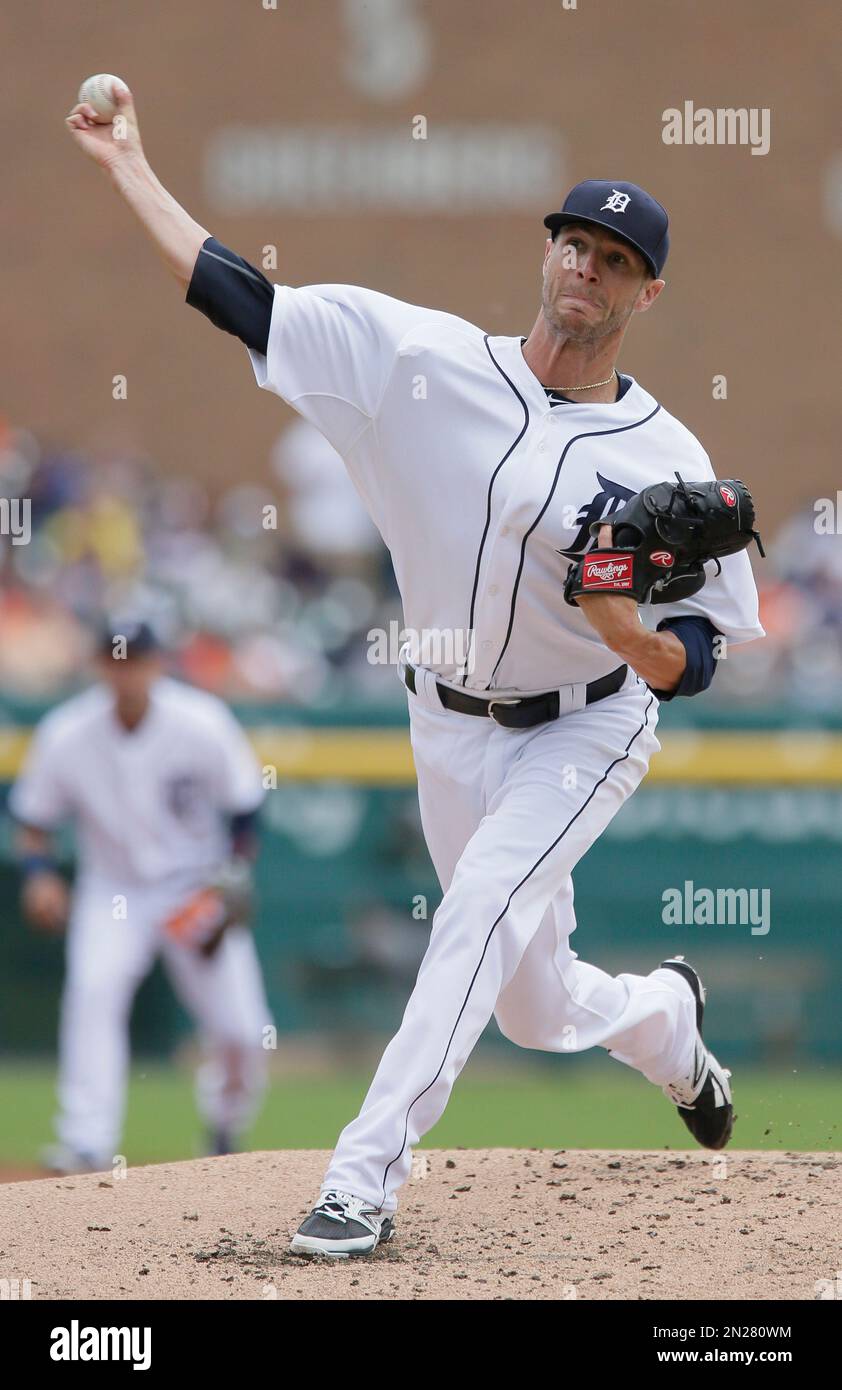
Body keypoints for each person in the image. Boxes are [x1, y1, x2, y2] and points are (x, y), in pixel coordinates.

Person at [65, 85, 764, 1252]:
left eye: (615, 261)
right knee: (535, 1005)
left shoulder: (665, 454)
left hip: (585, 726)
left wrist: (627, 635)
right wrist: (127, 162)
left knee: (477, 904)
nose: (586, 268)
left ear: (646, 293)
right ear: (546, 252)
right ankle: (665, 1021)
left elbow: (697, 651)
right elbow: (241, 297)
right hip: (445, 723)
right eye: (575, 244)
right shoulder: (414, 361)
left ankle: (363, 1177)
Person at [10, 620, 272, 1173]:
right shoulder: (67, 731)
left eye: (136, 660)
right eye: (115, 659)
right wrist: (39, 874)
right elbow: (34, 820)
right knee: (93, 993)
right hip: (113, 892)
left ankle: (225, 1129)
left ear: (158, 664)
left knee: (242, 1028)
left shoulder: (202, 721)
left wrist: (231, 877)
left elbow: (247, 807)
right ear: (97, 665)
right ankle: (86, 1141)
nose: (125, 671)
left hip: (194, 886)